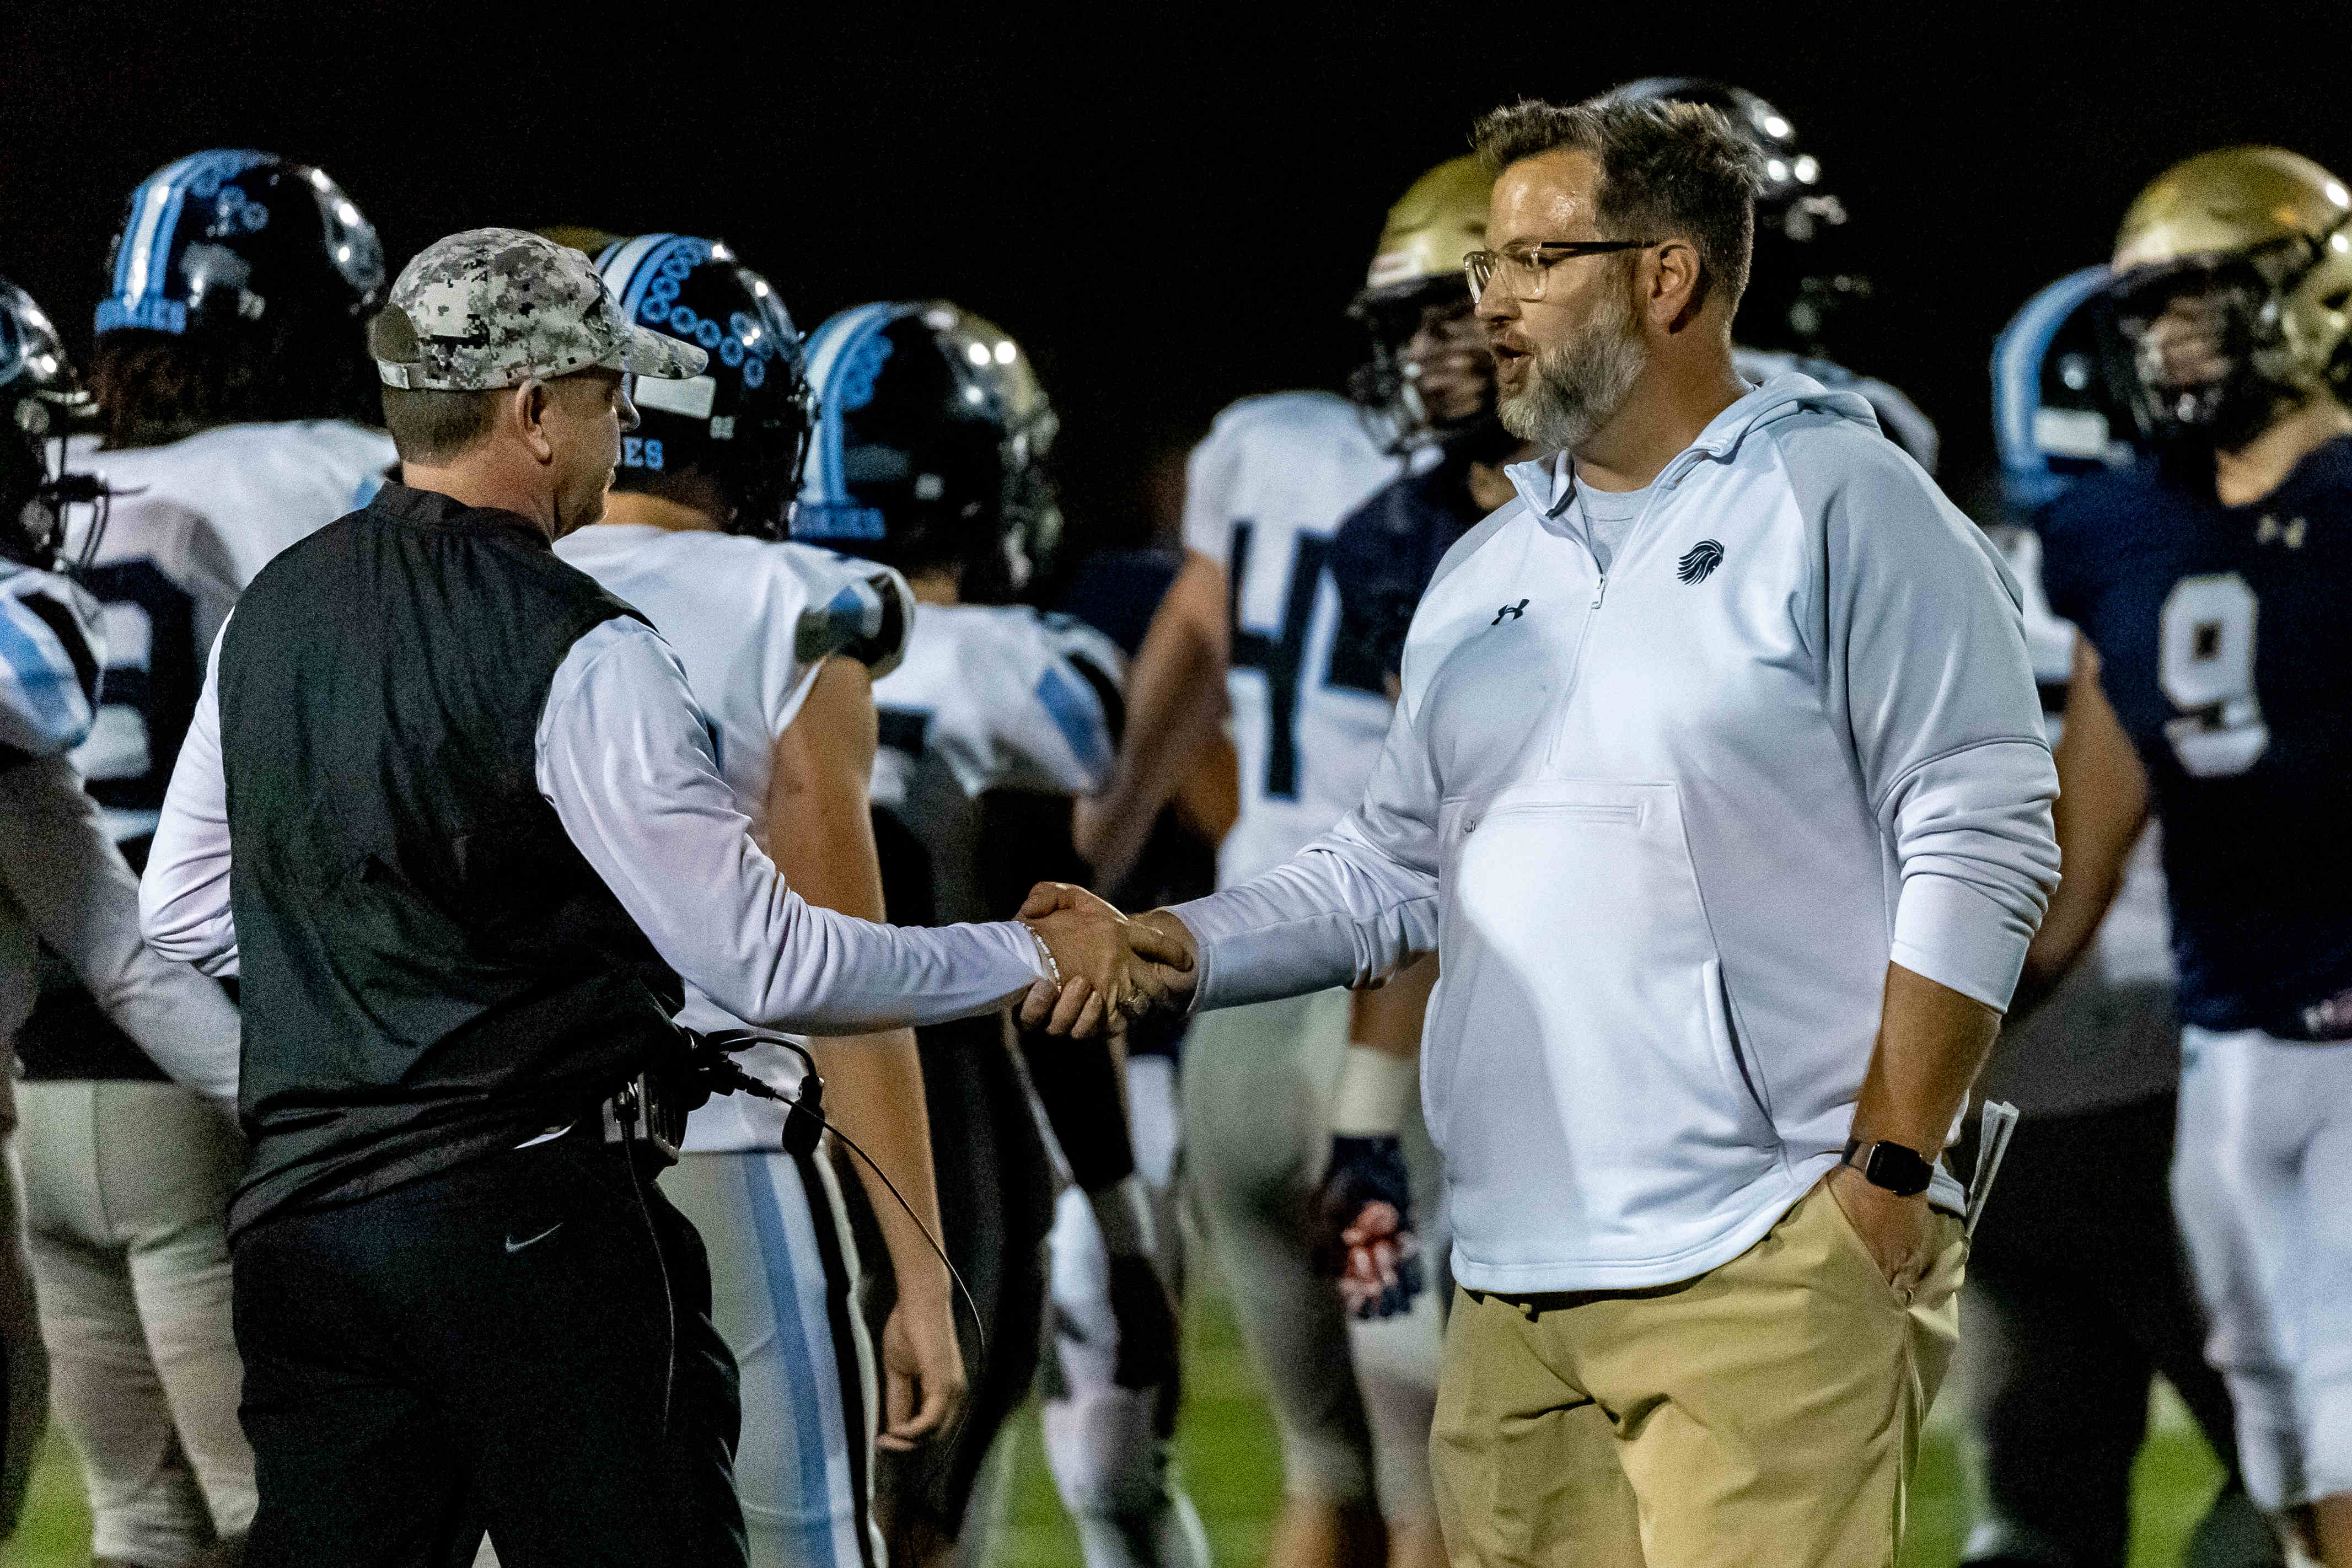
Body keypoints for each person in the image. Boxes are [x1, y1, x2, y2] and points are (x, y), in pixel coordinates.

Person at [1032, 94, 2060, 1566]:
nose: (1489, 304)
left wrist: (1890, 1171)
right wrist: (1174, 942)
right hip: (1512, 1275)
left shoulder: (1839, 498)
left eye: (1533, 261)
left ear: (1667, 277)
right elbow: (1389, 866)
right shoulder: (1484, 568)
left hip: (1763, 1253)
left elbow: (1983, 826)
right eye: (1482, 269)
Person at [135, 228, 1166, 1568]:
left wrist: (399, 981)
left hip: (306, 1235)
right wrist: (1021, 953)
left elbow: (186, 915)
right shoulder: (586, 643)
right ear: (535, 412)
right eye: (610, 396)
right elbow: (775, 964)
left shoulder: (278, 602)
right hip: (538, 1220)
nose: (626, 427)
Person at [16, 153, 393, 1565]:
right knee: (301, 1522)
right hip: (223, 1062)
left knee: (141, 1528)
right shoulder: (320, 481)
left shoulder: (43, 476)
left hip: (40, 1086)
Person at [551, 232, 943, 1568]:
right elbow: (840, 968)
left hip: (493, 1183)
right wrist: (923, 1270)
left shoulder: (455, 594)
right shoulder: (785, 607)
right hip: (723, 1159)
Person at [797, 298, 1199, 1568]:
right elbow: (1052, 965)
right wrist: (1124, 1226)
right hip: (938, 1116)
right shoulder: (1017, 670)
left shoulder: (735, 626)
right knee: (925, 1523)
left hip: (727, 1109)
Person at [2018, 146, 2352, 1567]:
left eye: (2201, 304)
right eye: (2149, 312)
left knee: (2343, 1422)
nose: (2168, 342)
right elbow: (2067, 869)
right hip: (2229, 1052)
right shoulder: (2120, 532)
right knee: (2276, 1425)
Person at [1960, 267, 2278, 1568]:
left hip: (1984, 1093)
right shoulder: (2211, 555)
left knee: (2038, 1509)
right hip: (2191, 1071)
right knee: (2299, 1472)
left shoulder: (1936, 553)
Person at [1164, 153, 1444, 1568]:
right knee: (1432, 1488)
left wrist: (1129, 850)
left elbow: (1185, 667)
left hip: (1236, 1015)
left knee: (1320, 1471)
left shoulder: (1256, 444)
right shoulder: (1494, 503)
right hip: (1376, 1046)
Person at [0, 273, 254, 1568]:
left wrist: (287, 1100)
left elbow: (115, 940)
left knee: (146, 1521)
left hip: (36, 1108)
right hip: (129, 1112)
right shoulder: (171, 540)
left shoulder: (31, 664)